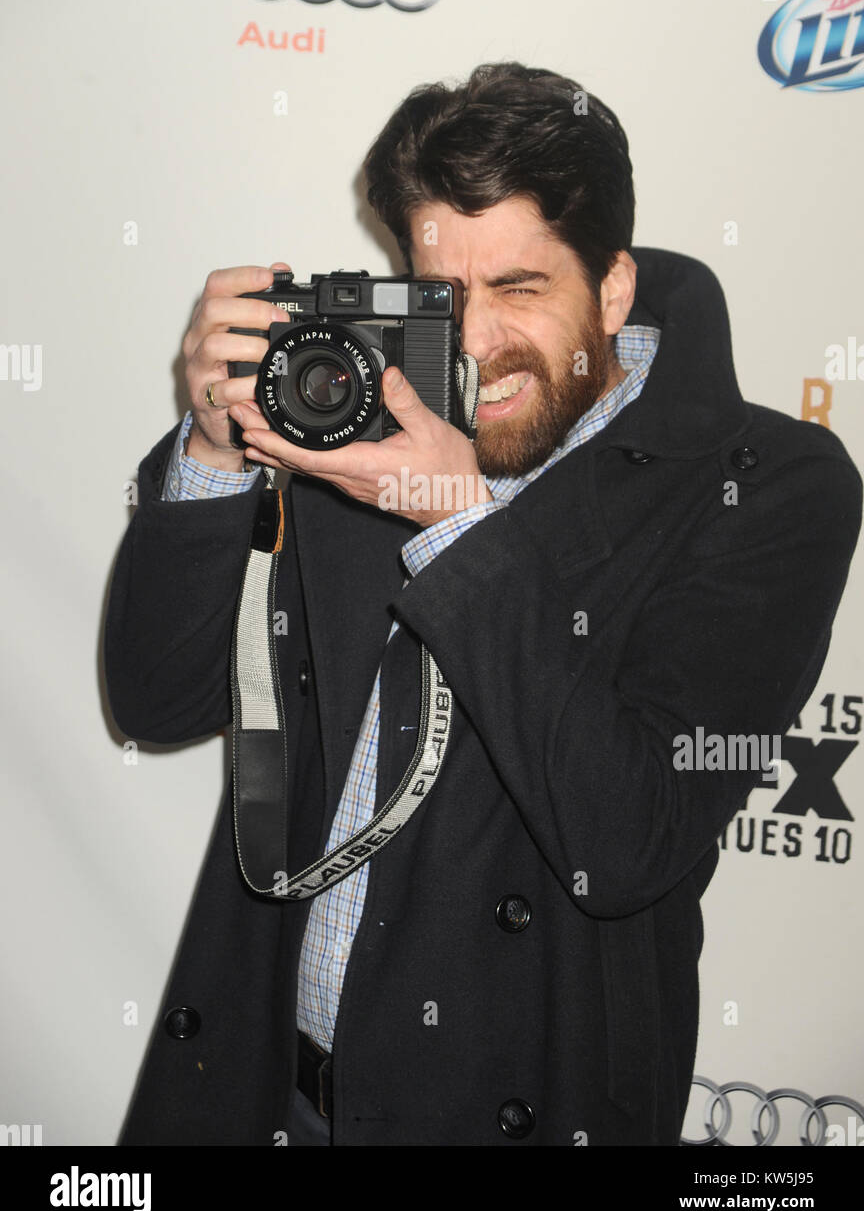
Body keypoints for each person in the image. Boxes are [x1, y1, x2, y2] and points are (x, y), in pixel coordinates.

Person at [104, 62, 861, 1147]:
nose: (471, 342)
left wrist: (458, 517)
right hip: (263, 1093)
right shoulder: (357, 418)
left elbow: (629, 837)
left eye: (520, 289)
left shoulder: (764, 482)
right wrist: (216, 454)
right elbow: (157, 699)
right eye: (438, 294)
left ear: (612, 289)